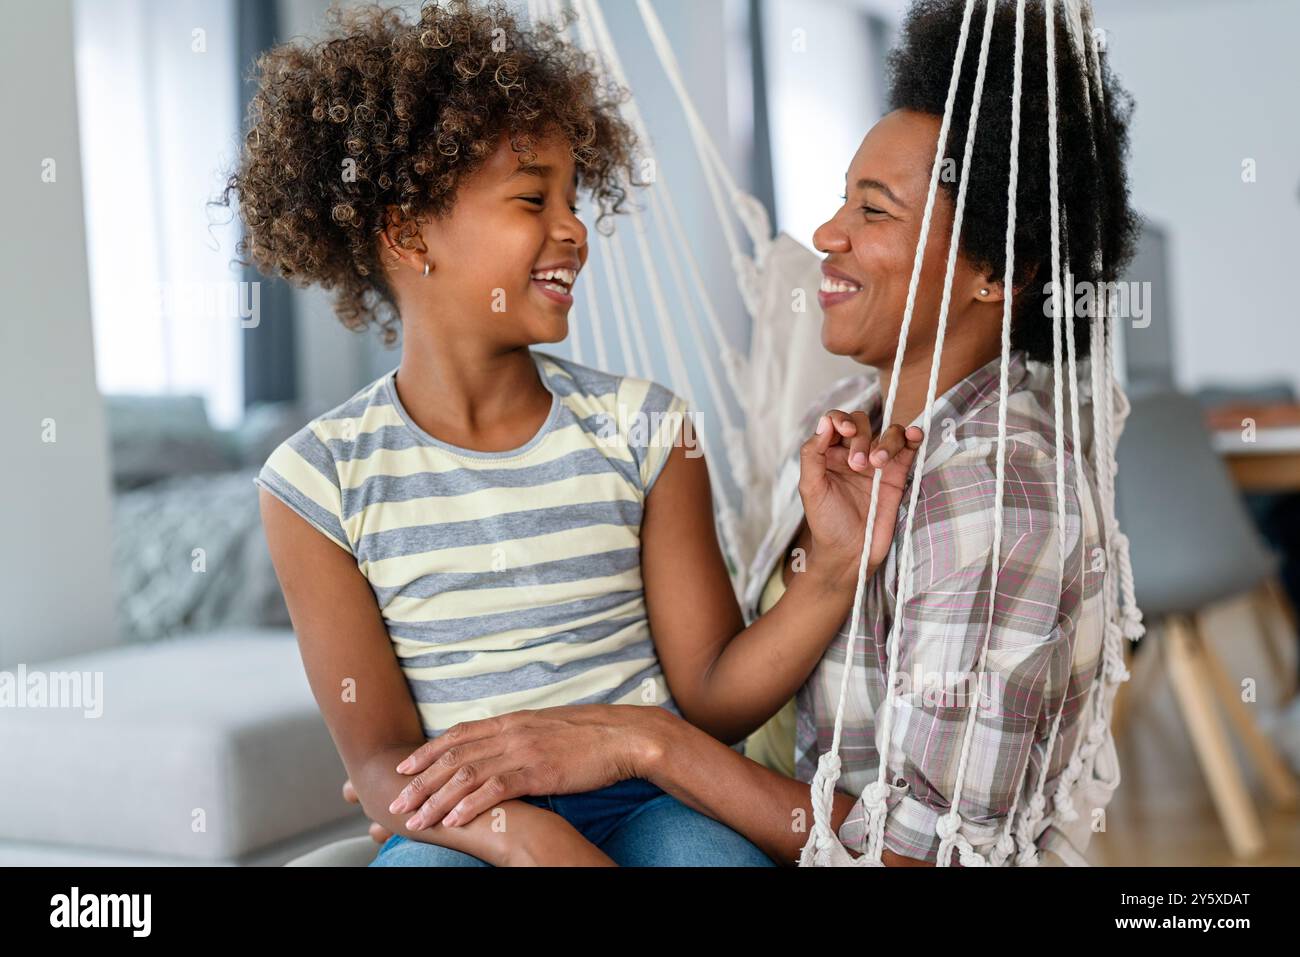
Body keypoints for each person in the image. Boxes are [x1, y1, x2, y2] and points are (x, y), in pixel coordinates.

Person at [356, 0, 1141, 866]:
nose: (825, 234)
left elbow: (931, 858)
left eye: (873, 212)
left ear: (997, 272)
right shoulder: (854, 423)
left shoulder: (998, 500)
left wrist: (643, 745)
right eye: (844, 199)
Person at [228, 0, 920, 867]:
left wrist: (829, 575)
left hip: (654, 802)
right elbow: (378, 764)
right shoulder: (314, 481)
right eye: (531, 198)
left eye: (572, 195)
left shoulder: (649, 429)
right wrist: (534, 843)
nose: (572, 229)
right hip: (474, 823)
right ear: (407, 232)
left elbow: (710, 698)